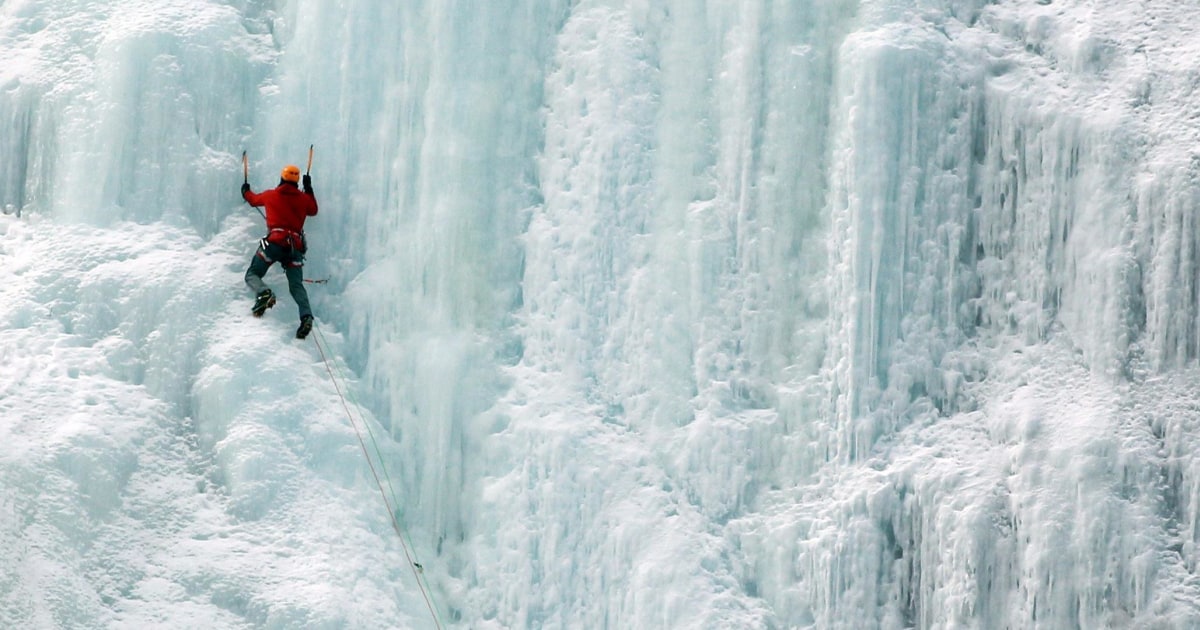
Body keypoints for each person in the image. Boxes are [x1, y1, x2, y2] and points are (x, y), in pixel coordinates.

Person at [241, 164, 319, 339]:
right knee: (296, 286)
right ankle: (306, 316)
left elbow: (253, 200)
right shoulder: (303, 199)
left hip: (274, 243)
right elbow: (313, 210)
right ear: (297, 182)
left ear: (282, 179)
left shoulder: (271, 195)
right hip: (295, 249)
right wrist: (309, 188)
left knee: (252, 273)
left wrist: (245, 190)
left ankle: (263, 293)